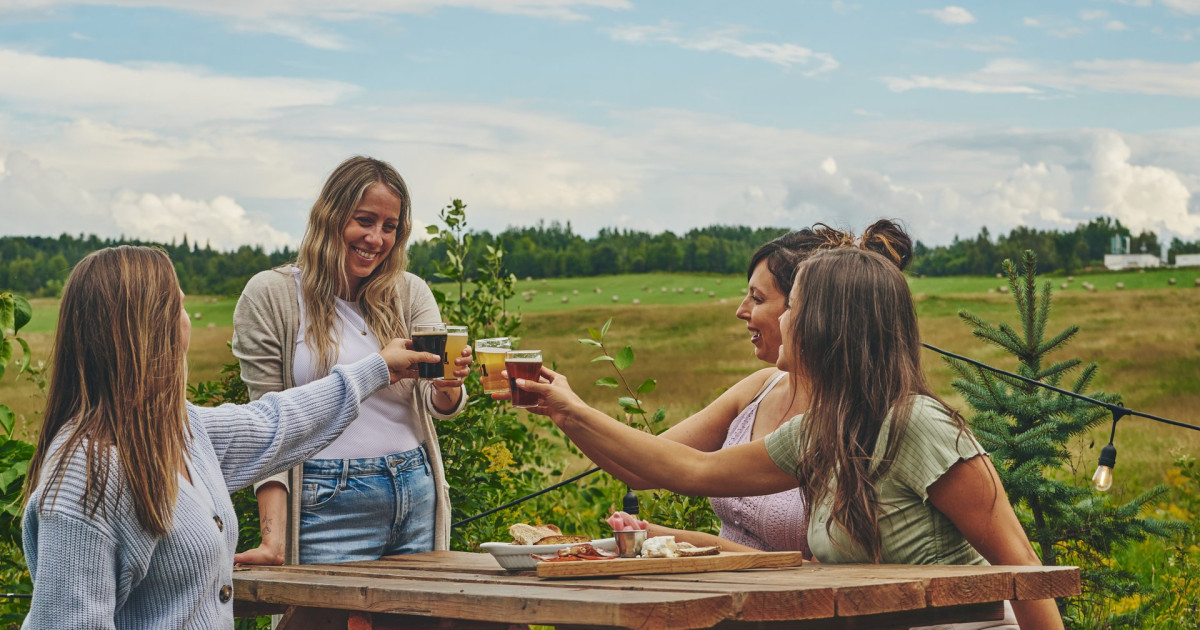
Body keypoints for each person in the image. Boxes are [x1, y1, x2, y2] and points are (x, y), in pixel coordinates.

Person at [509, 247, 1064, 629]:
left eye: (791, 305)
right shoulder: (823, 432)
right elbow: (689, 471)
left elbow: (1023, 569)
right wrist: (570, 410)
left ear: (827, 324)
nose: (778, 318)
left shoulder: (920, 425)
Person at [20, 245, 442, 629]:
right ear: (148, 328)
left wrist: (377, 369)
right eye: (180, 305)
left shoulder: (175, 430)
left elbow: (276, 422)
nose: (186, 318)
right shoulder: (84, 478)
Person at [593, 220, 910, 556]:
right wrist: (560, 408)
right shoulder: (759, 388)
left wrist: (677, 539)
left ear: (808, 309)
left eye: (757, 298)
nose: (741, 311)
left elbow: (820, 572)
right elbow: (643, 465)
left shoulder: (856, 425)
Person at [232, 156, 470, 566]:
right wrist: (273, 540)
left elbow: (440, 404)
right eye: (364, 220)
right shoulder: (271, 295)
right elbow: (264, 426)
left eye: (389, 227)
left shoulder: (410, 292)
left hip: (414, 487)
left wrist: (449, 386)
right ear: (332, 216)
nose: (376, 238)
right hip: (324, 499)